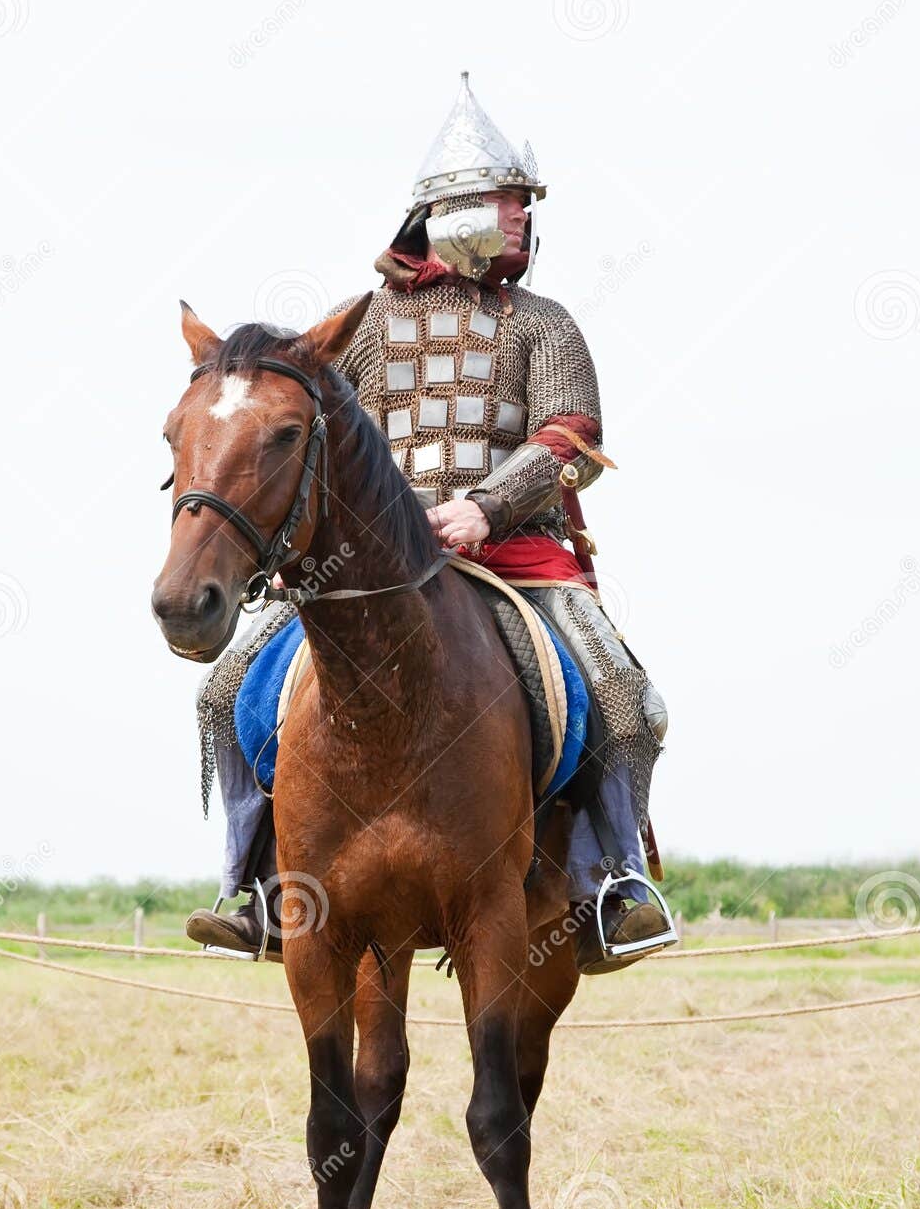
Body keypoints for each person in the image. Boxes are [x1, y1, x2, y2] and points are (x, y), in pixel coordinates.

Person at [187, 73, 672, 974]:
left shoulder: (542, 324)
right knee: (225, 695)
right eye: (507, 201)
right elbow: (317, 444)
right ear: (448, 211)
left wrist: (483, 508)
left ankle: (613, 885)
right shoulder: (365, 327)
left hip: (516, 555)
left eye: (524, 205)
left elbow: (569, 437)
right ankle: (249, 889)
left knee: (621, 696)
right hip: (370, 567)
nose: (522, 217)